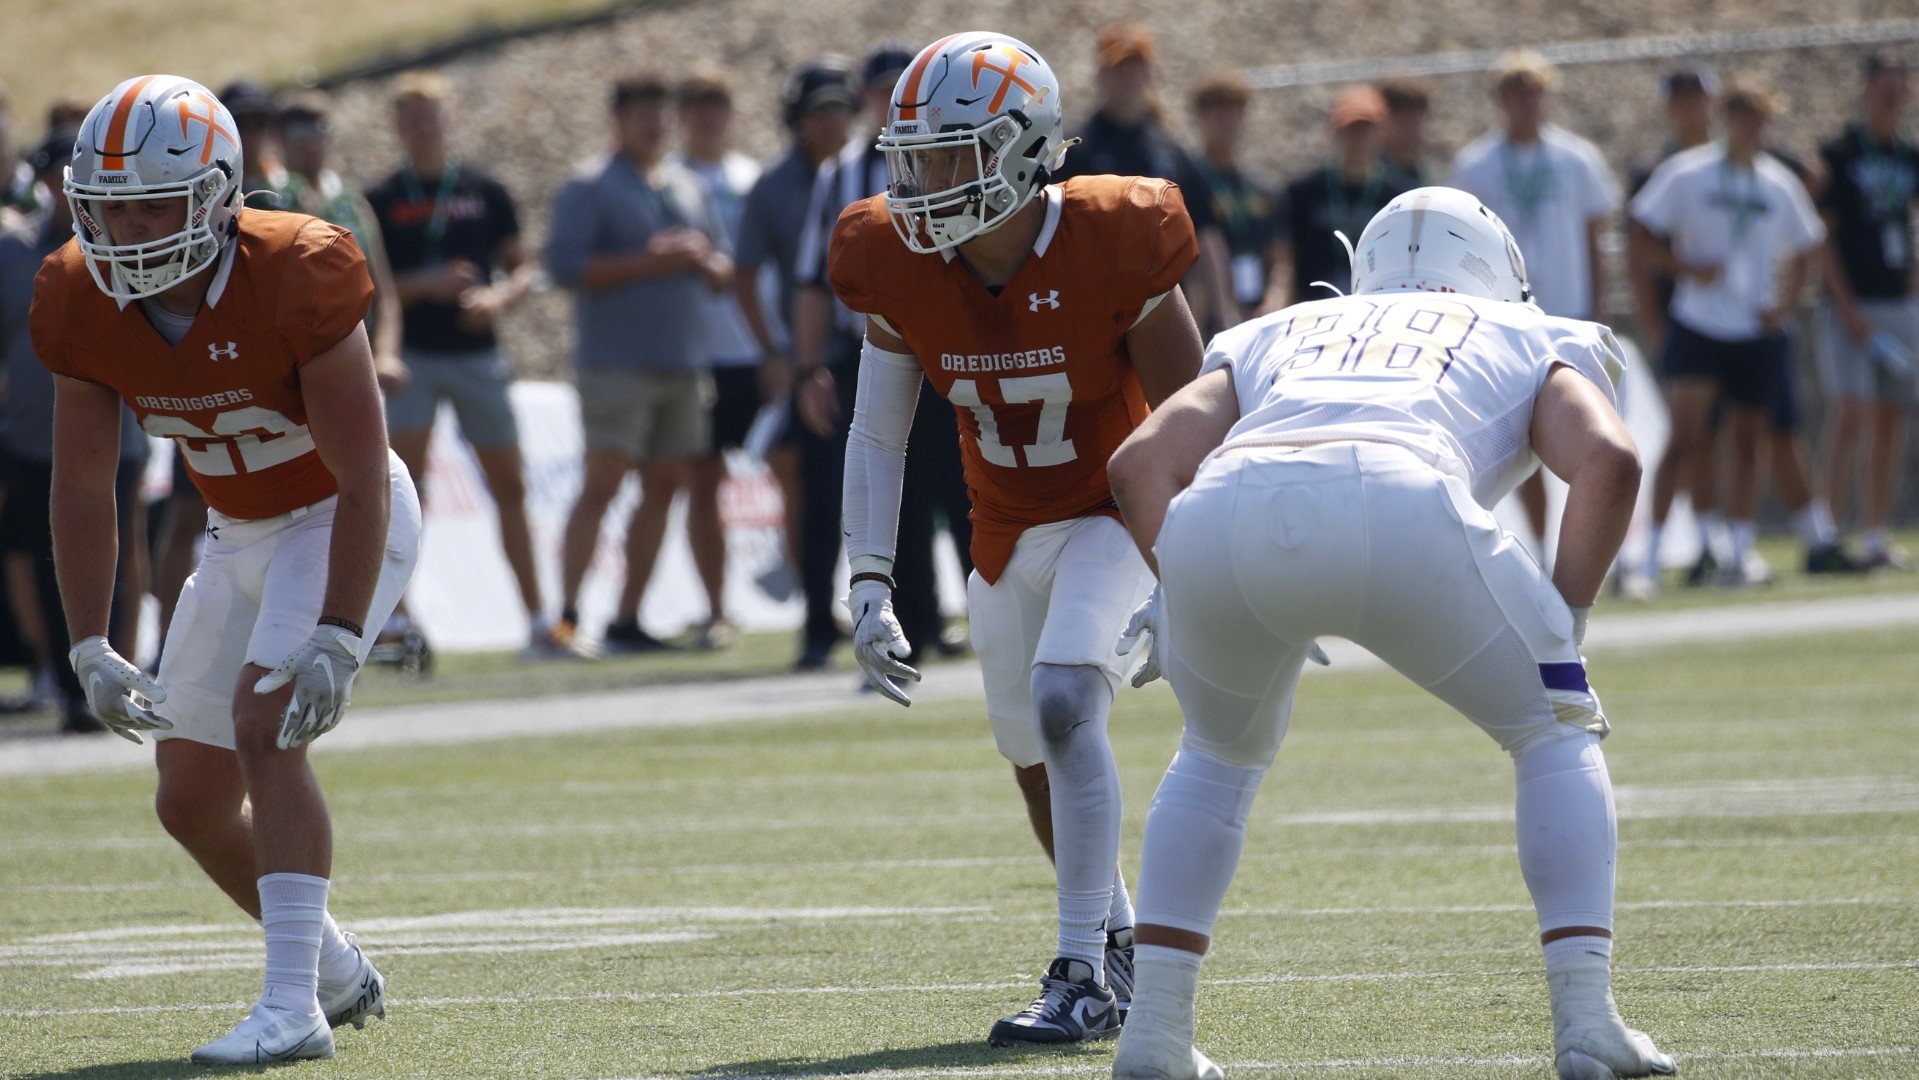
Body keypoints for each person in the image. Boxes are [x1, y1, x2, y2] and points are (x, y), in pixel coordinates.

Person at [1105, 187, 1673, 1080]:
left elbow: (1140, 463)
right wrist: (1565, 629)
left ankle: (1154, 1037)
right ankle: (1584, 1021)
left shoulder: (1272, 331)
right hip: (1401, 492)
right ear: (1497, 274)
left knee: (1212, 758)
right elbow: (1610, 459)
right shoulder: (1523, 330)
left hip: (1222, 509)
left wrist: (1182, 587)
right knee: (1552, 731)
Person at [31, 75, 420, 1063]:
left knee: (265, 722)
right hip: (236, 531)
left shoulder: (298, 267)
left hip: (339, 512)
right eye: (108, 207)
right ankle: (334, 967)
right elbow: (83, 488)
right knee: (188, 800)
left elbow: (363, 475)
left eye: (154, 201)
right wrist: (88, 642)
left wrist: (337, 627)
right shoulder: (77, 292)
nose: (128, 229)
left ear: (218, 193)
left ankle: (293, 1009)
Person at [828, 32, 1204, 1045]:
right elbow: (876, 429)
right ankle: (1114, 944)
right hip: (1000, 534)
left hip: (1112, 513)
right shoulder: (889, 256)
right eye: (914, 156)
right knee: (1031, 752)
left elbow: (1192, 416)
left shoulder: (1114, 234)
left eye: (953, 154)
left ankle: (1077, 972)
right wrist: (868, 578)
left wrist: (1191, 568)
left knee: (1064, 701)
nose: (925, 180)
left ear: (1028, 146)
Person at [1631, 78, 1854, 584]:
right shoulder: (1687, 173)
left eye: (1758, 118)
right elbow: (1639, 239)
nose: (1749, 128)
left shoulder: (1777, 182)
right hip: (1698, 323)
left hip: (1754, 330)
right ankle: (1650, 555)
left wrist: (1786, 303)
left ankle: (1739, 550)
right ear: (1723, 118)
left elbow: (1807, 244)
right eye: (1740, 116)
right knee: (1686, 439)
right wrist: (1685, 268)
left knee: (1750, 440)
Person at [793, 40, 973, 667]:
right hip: (869, 346)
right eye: (885, 89)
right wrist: (807, 366)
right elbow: (813, 279)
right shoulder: (840, 172)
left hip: (950, 345)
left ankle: (990, 611)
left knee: (966, 483)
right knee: (894, 488)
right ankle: (909, 624)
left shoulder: (957, 155)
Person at [365, 72, 557, 656]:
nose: (424, 125)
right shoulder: (381, 198)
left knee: (511, 485)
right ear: (398, 127)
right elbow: (365, 283)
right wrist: (423, 284)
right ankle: (393, 623)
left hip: (478, 355)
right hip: (413, 358)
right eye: (412, 116)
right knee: (402, 491)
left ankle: (539, 619)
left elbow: (525, 266)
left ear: (450, 119)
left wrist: (499, 297)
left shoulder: (485, 189)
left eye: (432, 114)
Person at [545, 74, 729, 653]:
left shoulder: (688, 184)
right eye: (643, 112)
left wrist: (704, 261)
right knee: (601, 484)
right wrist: (647, 262)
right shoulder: (590, 185)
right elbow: (565, 267)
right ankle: (568, 617)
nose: (655, 123)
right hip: (616, 364)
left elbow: (725, 269)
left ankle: (627, 619)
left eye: (661, 111)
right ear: (618, 119)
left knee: (667, 484)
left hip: (683, 361)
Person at [0, 126, 148, 734]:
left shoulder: (134, 237)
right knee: (42, 554)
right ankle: (58, 677)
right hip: (33, 429)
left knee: (124, 550)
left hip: (122, 425)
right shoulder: (11, 249)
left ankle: (133, 668)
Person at [1448, 52, 1622, 558]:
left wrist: (1599, 308)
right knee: (1523, 436)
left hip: (1569, 312)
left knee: (1585, 432)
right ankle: (1542, 548)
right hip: (1508, 317)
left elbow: (1596, 238)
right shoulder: (1475, 163)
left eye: (1534, 90)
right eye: (1515, 92)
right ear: (1501, 99)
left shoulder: (1577, 158)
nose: (1526, 102)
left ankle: (1588, 549)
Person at [734, 55, 859, 668]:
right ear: (798, 119)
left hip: (871, 350)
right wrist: (776, 352)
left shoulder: (872, 169)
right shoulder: (775, 185)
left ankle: (908, 614)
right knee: (815, 493)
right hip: (815, 358)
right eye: (820, 111)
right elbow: (743, 273)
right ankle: (816, 624)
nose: (832, 121)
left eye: (840, 108)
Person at [1054, 22, 1226, 333]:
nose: (1127, 79)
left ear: (1149, 74)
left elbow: (1205, 232)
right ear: (1101, 73)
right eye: (1119, 68)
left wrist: (1220, 310)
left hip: (1162, 308)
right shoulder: (1074, 150)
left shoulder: (1170, 152)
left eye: (1135, 68)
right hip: (1094, 308)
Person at [674, 69, 763, 649]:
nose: (709, 117)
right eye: (697, 105)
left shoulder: (752, 177)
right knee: (704, 484)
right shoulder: (668, 181)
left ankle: (823, 598)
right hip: (699, 354)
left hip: (758, 350)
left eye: (718, 104)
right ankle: (715, 608)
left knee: (796, 473)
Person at [1817, 53, 1916, 570]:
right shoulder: (1840, 152)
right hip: (1849, 304)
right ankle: (1826, 534)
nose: (1893, 95)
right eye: (1884, 86)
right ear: (1866, 90)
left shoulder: (1906, 155)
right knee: (1850, 413)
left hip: (1897, 300)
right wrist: (1845, 302)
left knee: (1890, 416)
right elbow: (1823, 235)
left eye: (1900, 86)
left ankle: (1876, 533)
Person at [1275, 85, 1412, 307]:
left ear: (1383, 132)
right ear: (1335, 131)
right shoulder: (1302, 192)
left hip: (1379, 307)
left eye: (1367, 128)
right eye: (1352, 129)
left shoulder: (1400, 195)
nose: (1359, 138)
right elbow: (1286, 260)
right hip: (1315, 308)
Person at [1185, 70, 1283, 332]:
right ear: (1200, 117)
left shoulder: (1260, 188)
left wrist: (1274, 300)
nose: (1225, 121)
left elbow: (1280, 256)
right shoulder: (1185, 181)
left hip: (1255, 311)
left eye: (1233, 111)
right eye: (1216, 111)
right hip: (1209, 313)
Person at [1376, 77, 1435, 187]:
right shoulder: (1372, 177)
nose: (1411, 126)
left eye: (1416, 117)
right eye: (1401, 118)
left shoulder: (1423, 170)